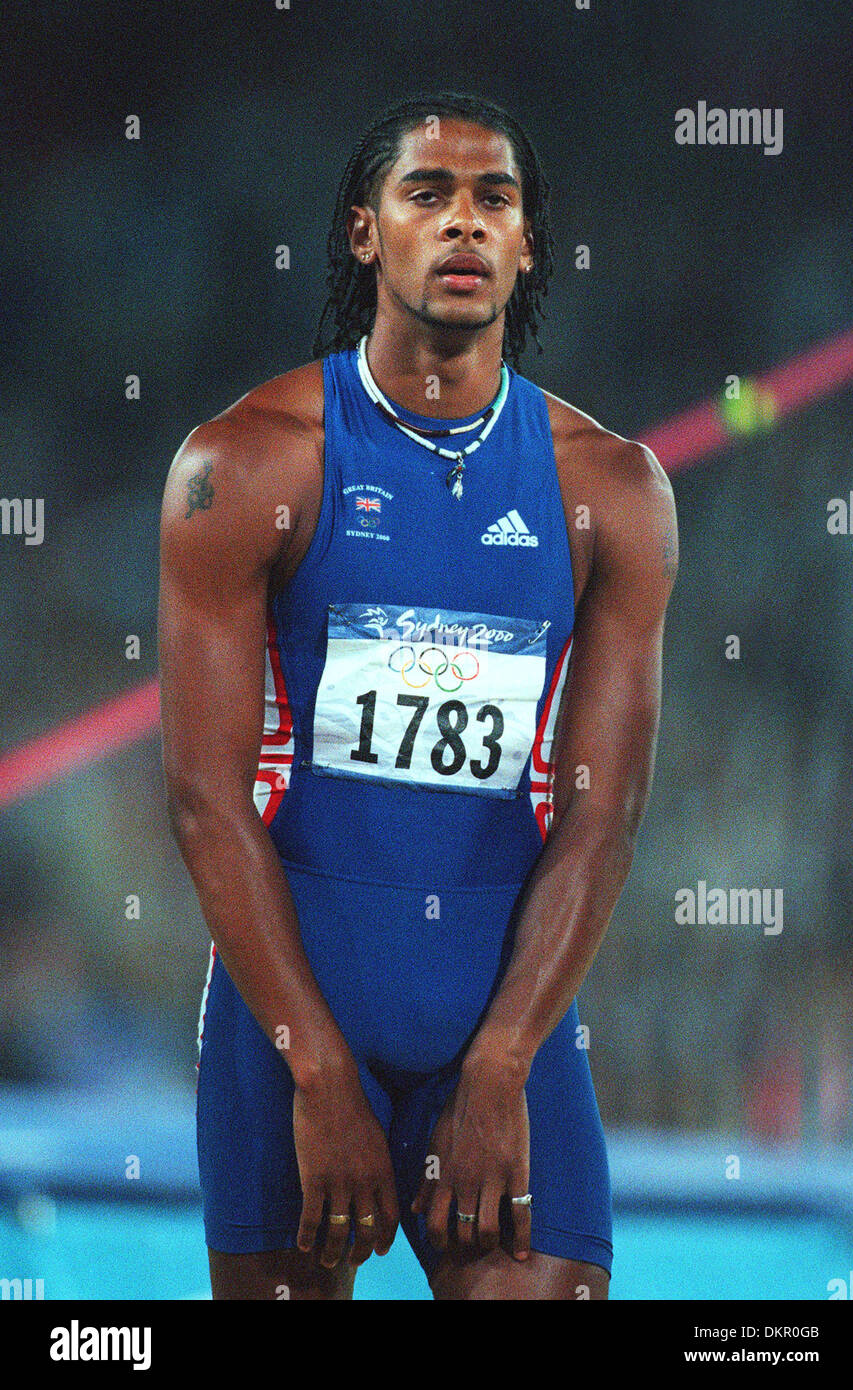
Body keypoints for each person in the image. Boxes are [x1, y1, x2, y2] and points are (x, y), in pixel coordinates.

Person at [158, 90, 678, 1301]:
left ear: (527, 245)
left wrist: (497, 1069)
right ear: (362, 233)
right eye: (426, 195)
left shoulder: (613, 491)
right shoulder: (242, 465)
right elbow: (203, 803)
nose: (463, 224)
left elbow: (602, 817)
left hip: (504, 1020)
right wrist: (319, 1075)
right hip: (290, 1015)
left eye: (493, 200)